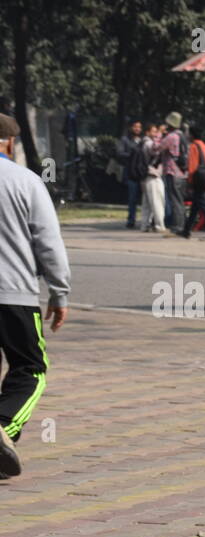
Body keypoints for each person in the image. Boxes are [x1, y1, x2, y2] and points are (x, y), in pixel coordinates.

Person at [0, 113, 71, 478]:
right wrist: (59, 292)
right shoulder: (25, 180)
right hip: (14, 293)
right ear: (10, 142)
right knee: (31, 367)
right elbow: (48, 242)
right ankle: (4, 426)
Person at [179, 127, 205, 240]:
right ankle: (186, 230)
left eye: (188, 133)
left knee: (204, 205)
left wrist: (190, 182)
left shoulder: (194, 146)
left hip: (198, 179)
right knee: (195, 206)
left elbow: (192, 166)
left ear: (192, 135)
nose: (187, 136)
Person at [158, 112, 188, 234]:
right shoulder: (182, 135)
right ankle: (182, 225)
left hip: (172, 171)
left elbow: (158, 148)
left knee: (175, 200)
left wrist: (159, 134)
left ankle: (177, 227)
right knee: (179, 200)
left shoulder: (171, 137)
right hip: (182, 172)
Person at [116, 120, 145, 229]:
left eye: (139, 127)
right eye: (135, 126)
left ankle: (146, 220)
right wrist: (132, 154)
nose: (137, 129)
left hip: (142, 172)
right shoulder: (125, 140)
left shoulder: (143, 140)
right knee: (132, 198)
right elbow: (119, 153)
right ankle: (131, 219)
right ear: (131, 127)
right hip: (131, 172)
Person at [138, 123, 167, 233]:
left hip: (147, 176)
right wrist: (160, 134)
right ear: (147, 132)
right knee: (157, 202)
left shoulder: (142, 142)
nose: (155, 134)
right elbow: (155, 149)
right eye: (153, 131)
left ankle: (145, 225)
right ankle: (160, 226)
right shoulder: (148, 143)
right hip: (153, 175)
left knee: (147, 203)